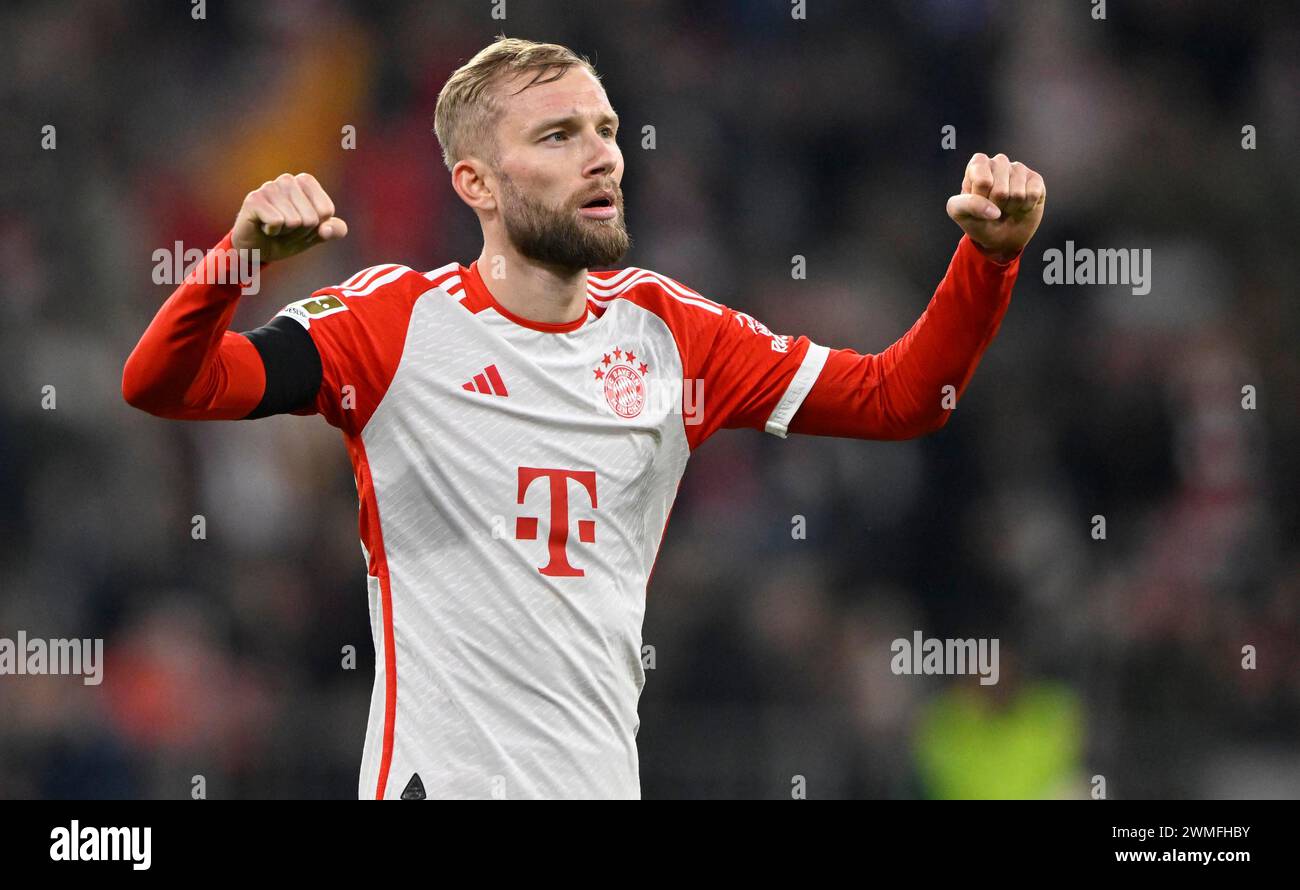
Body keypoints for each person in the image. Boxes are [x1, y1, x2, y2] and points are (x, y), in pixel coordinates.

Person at [122, 36, 1046, 799]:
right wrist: (238, 263)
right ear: (477, 183)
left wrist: (989, 262)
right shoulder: (391, 324)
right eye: (559, 135)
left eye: (605, 129)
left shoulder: (672, 333)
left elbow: (904, 398)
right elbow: (166, 383)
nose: (602, 153)